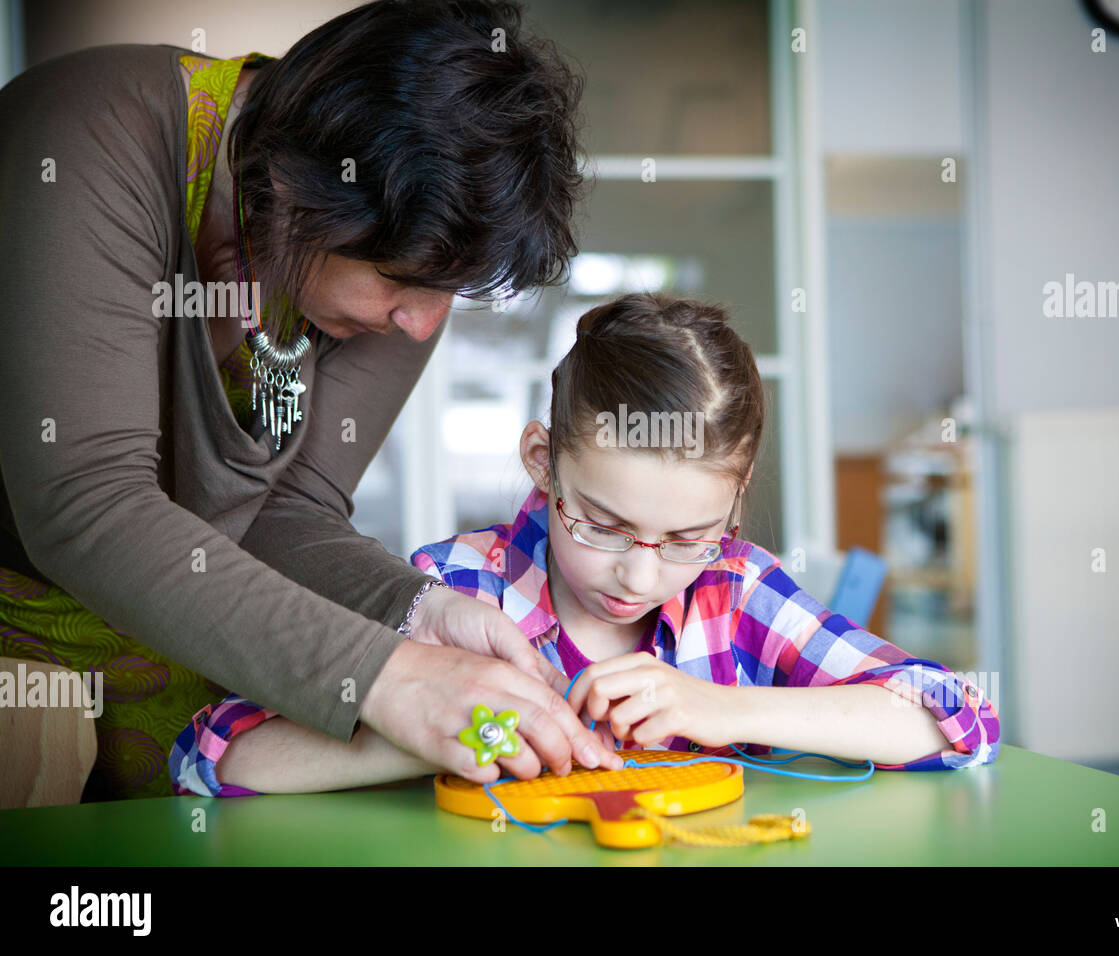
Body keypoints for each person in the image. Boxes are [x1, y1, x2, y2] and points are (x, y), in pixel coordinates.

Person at [0, 0, 621, 803]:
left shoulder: (402, 265)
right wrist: (385, 675)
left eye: (451, 293)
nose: (421, 324)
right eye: (403, 282)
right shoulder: (91, 133)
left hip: (172, 633)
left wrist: (415, 610)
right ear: (298, 187)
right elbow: (87, 505)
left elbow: (286, 512)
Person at [170, 293, 1001, 797]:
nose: (640, 574)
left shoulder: (739, 593)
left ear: (735, 501)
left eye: (687, 537)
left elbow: (958, 719)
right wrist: (438, 729)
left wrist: (722, 708)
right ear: (544, 463)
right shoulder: (456, 588)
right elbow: (216, 754)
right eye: (601, 524)